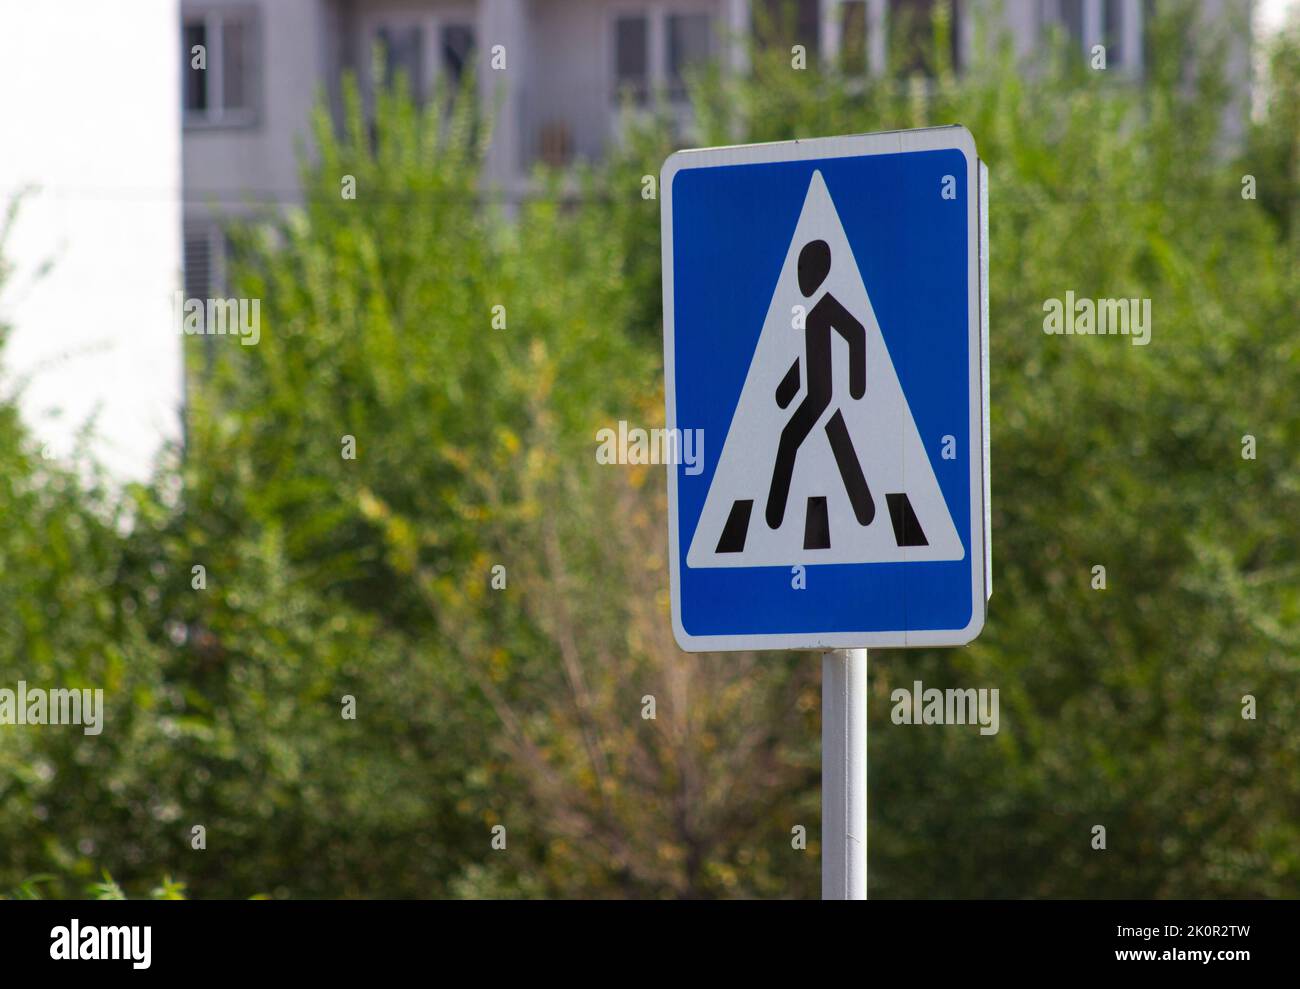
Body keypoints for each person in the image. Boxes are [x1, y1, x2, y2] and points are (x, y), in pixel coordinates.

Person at [765, 239, 875, 530]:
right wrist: (786, 390)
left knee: (790, 439)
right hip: (818, 394)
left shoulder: (827, 306)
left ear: (820, 272)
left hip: (823, 395)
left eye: (806, 270)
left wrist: (857, 385)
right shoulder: (806, 313)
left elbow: (857, 334)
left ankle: (772, 518)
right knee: (841, 446)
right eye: (800, 270)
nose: (802, 277)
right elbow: (808, 357)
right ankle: (866, 511)